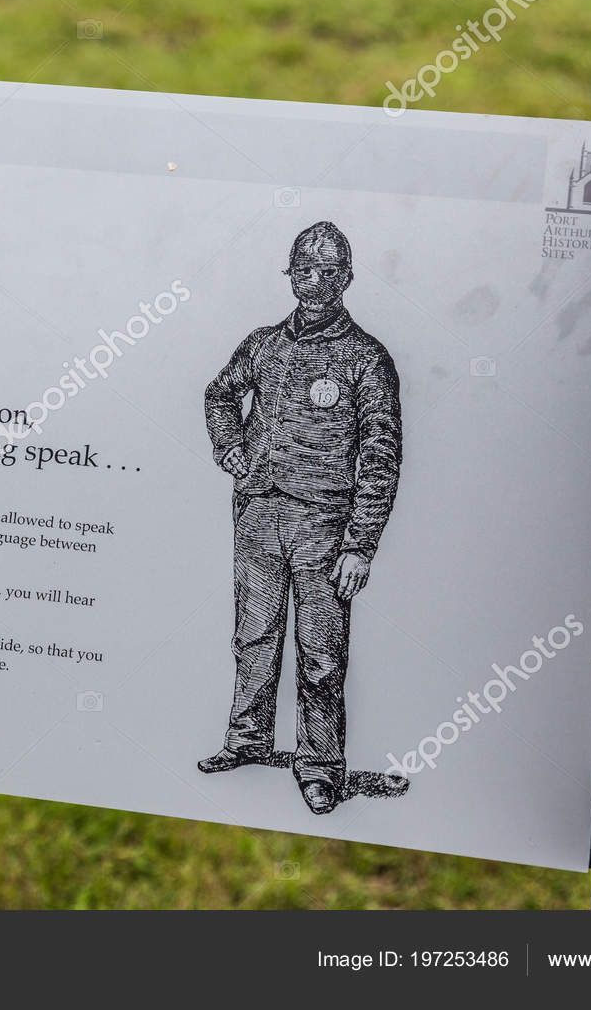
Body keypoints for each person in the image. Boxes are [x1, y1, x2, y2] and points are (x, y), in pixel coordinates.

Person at [199, 220, 402, 815]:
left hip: (325, 527)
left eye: (327, 271)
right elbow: (219, 395)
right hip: (258, 514)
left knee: (322, 655)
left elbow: (381, 454)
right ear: (290, 275)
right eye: (304, 270)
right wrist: (228, 448)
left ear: (347, 278)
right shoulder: (262, 343)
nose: (314, 281)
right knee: (253, 637)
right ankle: (247, 740)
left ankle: (319, 767)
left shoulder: (367, 358)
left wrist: (361, 544)